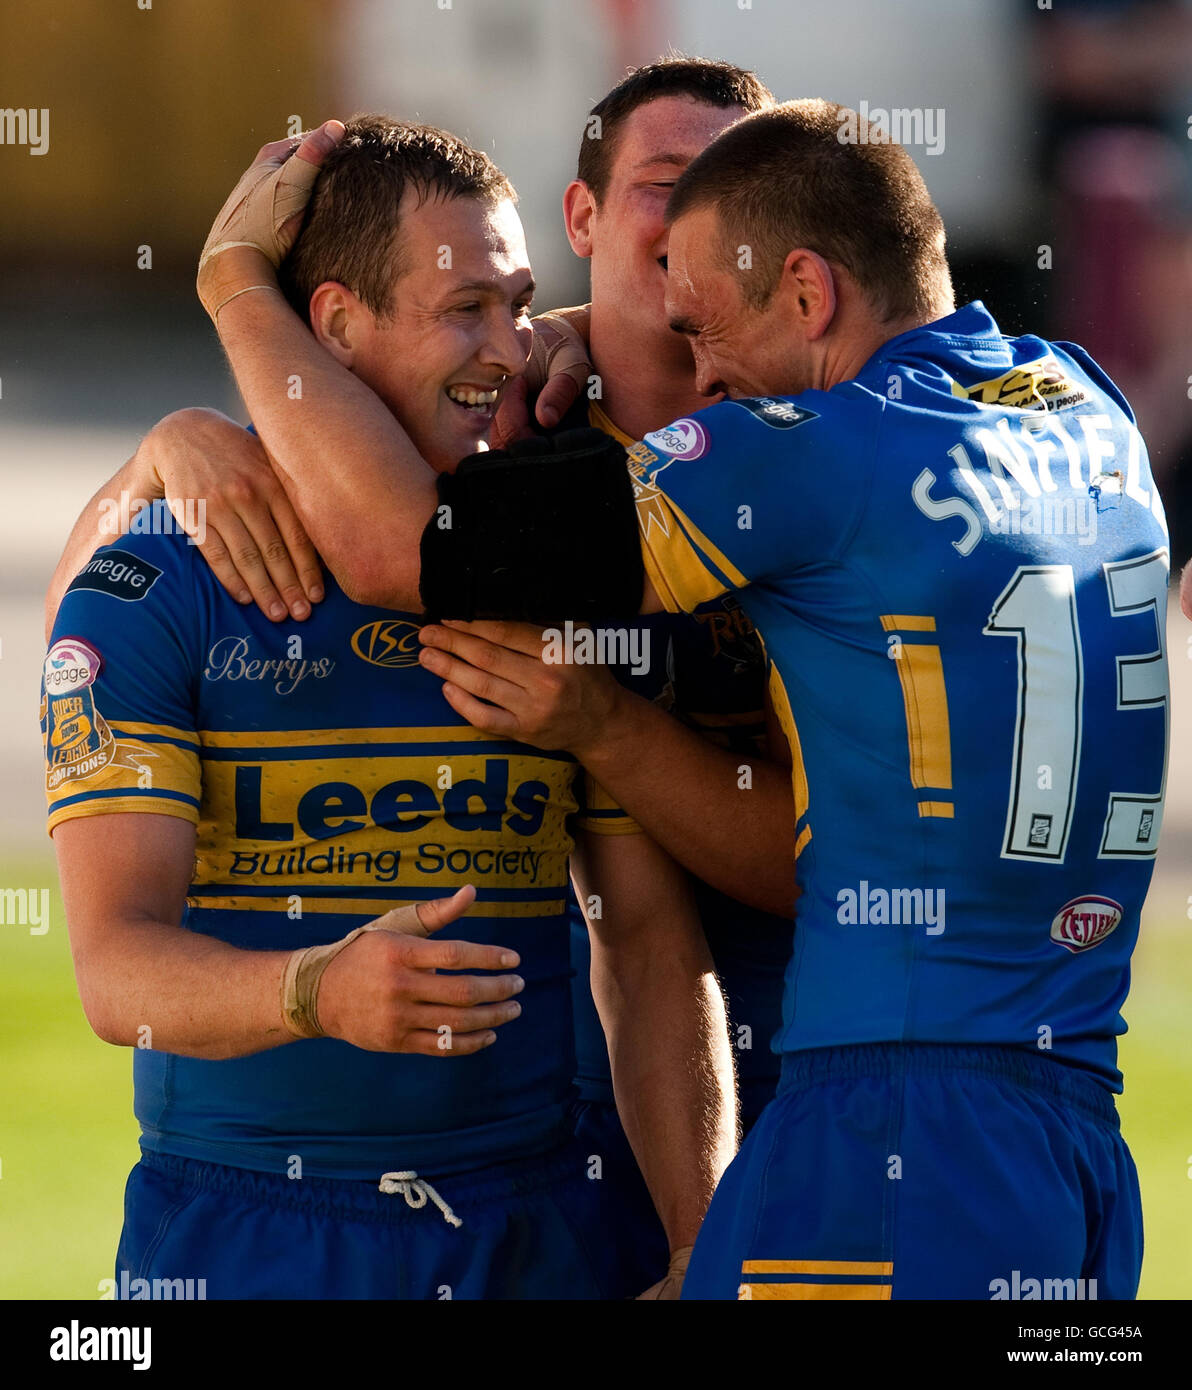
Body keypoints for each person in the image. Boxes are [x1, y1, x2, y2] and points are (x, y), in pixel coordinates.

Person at [192, 98, 1169, 1300]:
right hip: (1078, 1131)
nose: (698, 373)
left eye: (708, 328)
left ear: (807, 292)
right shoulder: (1088, 409)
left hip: (894, 1134)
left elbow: (401, 546)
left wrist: (238, 287)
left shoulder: (809, 449)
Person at [51, 58, 798, 1291]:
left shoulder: (538, 561)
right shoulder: (166, 572)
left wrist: (690, 1241)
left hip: (541, 1224)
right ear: (333, 325)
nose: (515, 350)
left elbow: (648, 949)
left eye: (520, 305)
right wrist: (314, 988)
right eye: (468, 311)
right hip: (247, 1236)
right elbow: (111, 971)